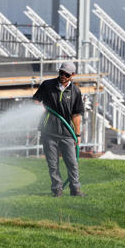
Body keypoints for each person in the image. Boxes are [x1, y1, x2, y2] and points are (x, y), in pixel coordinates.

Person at [32, 61, 85, 197]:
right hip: (48, 132)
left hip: (67, 133)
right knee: (52, 164)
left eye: (66, 74)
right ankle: (57, 190)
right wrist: (39, 106)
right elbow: (36, 100)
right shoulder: (47, 85)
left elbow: (76, 115)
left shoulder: (75, 92)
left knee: (72, 163)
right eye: (61, 73)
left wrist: (77, 135)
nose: (63, 76)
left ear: (72, 75)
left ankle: (75, 189)